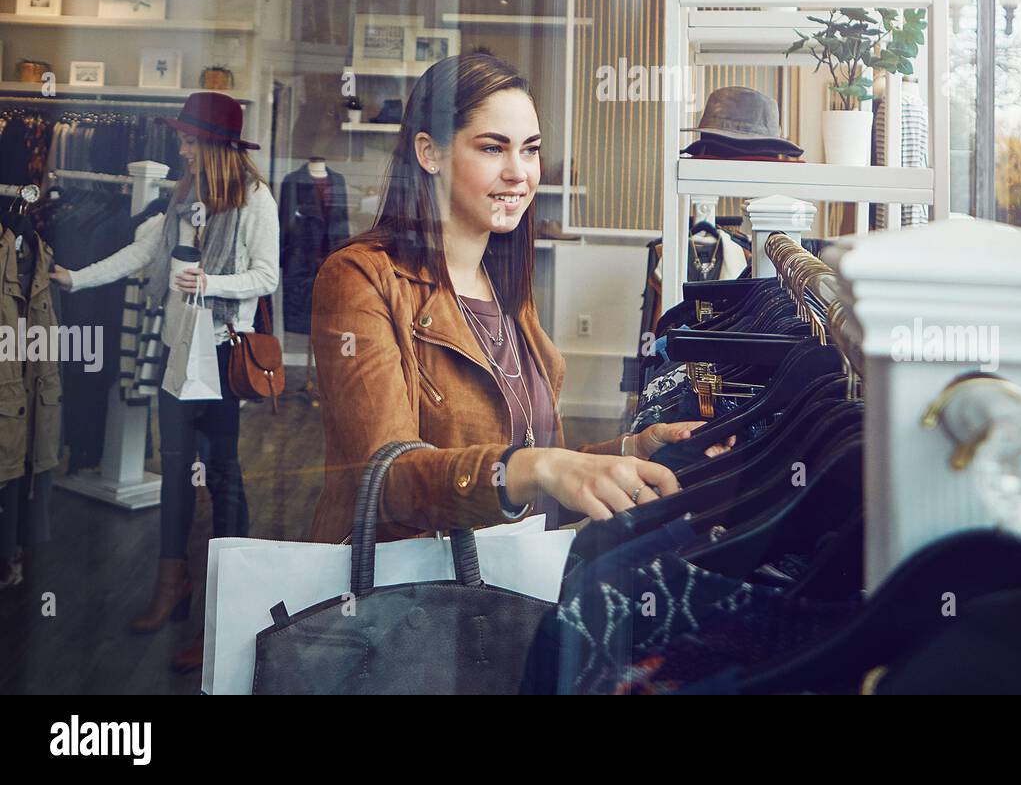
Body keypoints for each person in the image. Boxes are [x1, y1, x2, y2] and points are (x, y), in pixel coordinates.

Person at [310, 50, 732, 545]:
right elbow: (386, 481)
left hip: (496, 597)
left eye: (530, 150)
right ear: (430, 153)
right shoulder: (362, 278)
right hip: (404, 608)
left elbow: (529, 478)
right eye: (493, 148)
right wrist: (540, 466)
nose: (520, 173)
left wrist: (631, 451)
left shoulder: (506, 289)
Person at [52, 91, 279, 674]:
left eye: (188, 139)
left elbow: (267, 276)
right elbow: (139, 254)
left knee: (223, 477)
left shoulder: (255, 199)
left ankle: (227, 608)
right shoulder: (182, 198)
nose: (181, 147)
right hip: (178, 355)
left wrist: (212, 283)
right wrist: (75, 279)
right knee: (177, 474)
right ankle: (171, 586)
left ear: (214, 146)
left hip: (224, 358)